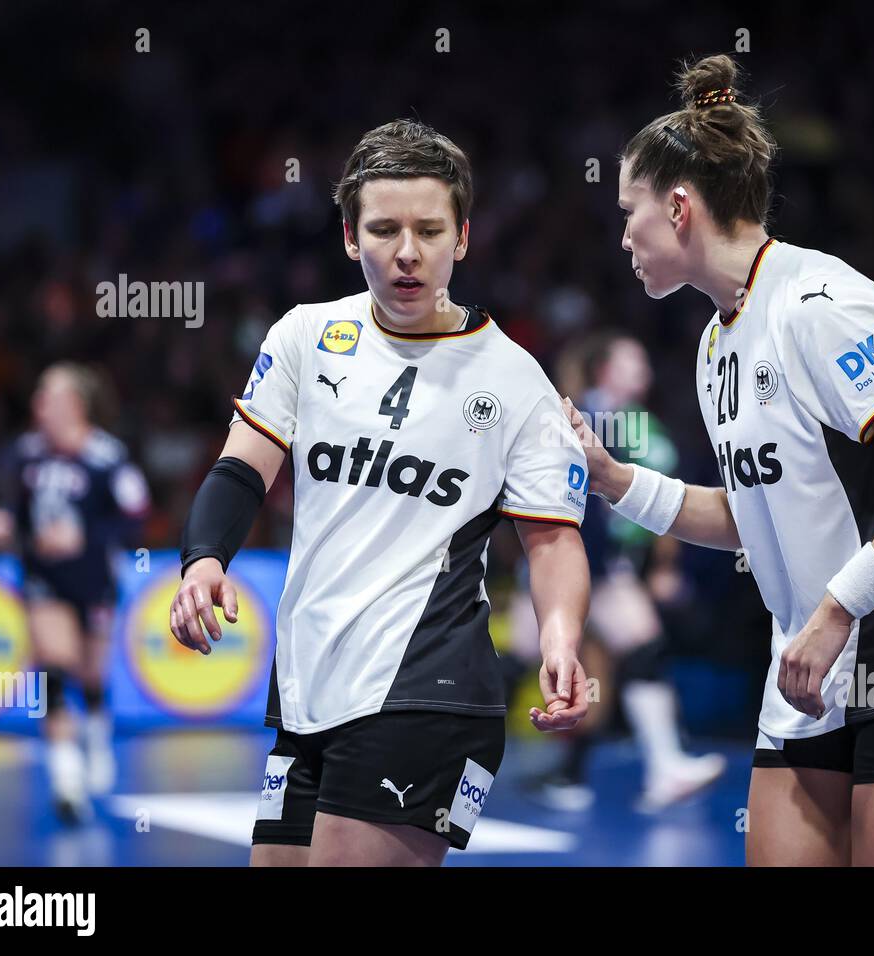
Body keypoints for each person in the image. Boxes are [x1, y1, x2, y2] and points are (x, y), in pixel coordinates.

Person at [569, 54, 874, 865]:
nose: (622, 235)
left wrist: (837, 610)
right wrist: (615, 480)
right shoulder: (715, 343)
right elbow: (759, 515)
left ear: (678, 207)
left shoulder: (822, 305)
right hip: (811, 667)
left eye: (627, 209)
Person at [169, 119, 592, 866]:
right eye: (384, 228)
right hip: (310, 682)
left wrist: (559, 640)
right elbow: (241, 471)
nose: (407, 252)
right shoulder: (303, 336)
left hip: (429, 686)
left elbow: (552, 536)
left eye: (430, 230)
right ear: (347, 236)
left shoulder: (516, 379)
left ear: (462, 238)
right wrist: (204, 560)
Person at [509, 333, 724, 812]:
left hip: (600, 564)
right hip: (575, 558)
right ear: (605, 370)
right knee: (542, 659)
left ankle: (602, 773)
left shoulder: (639, 425)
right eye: (633, 360)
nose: (643, 368)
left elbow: (661, 496)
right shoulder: (580, 416)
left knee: (594, 662)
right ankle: (452, 756)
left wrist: (650, 562)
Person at [0, 363, 151, 823]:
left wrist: (87, 538)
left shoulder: (105, 456)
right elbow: (8, 507)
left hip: (94, 579)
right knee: (53, 664)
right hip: (44, 578)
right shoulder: (26, 455)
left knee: (91, 675)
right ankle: (66, 777)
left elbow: (135, 514)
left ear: (74, 406)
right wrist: (1, 524)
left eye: (48, 398)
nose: (38, 406)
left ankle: (96, 735)